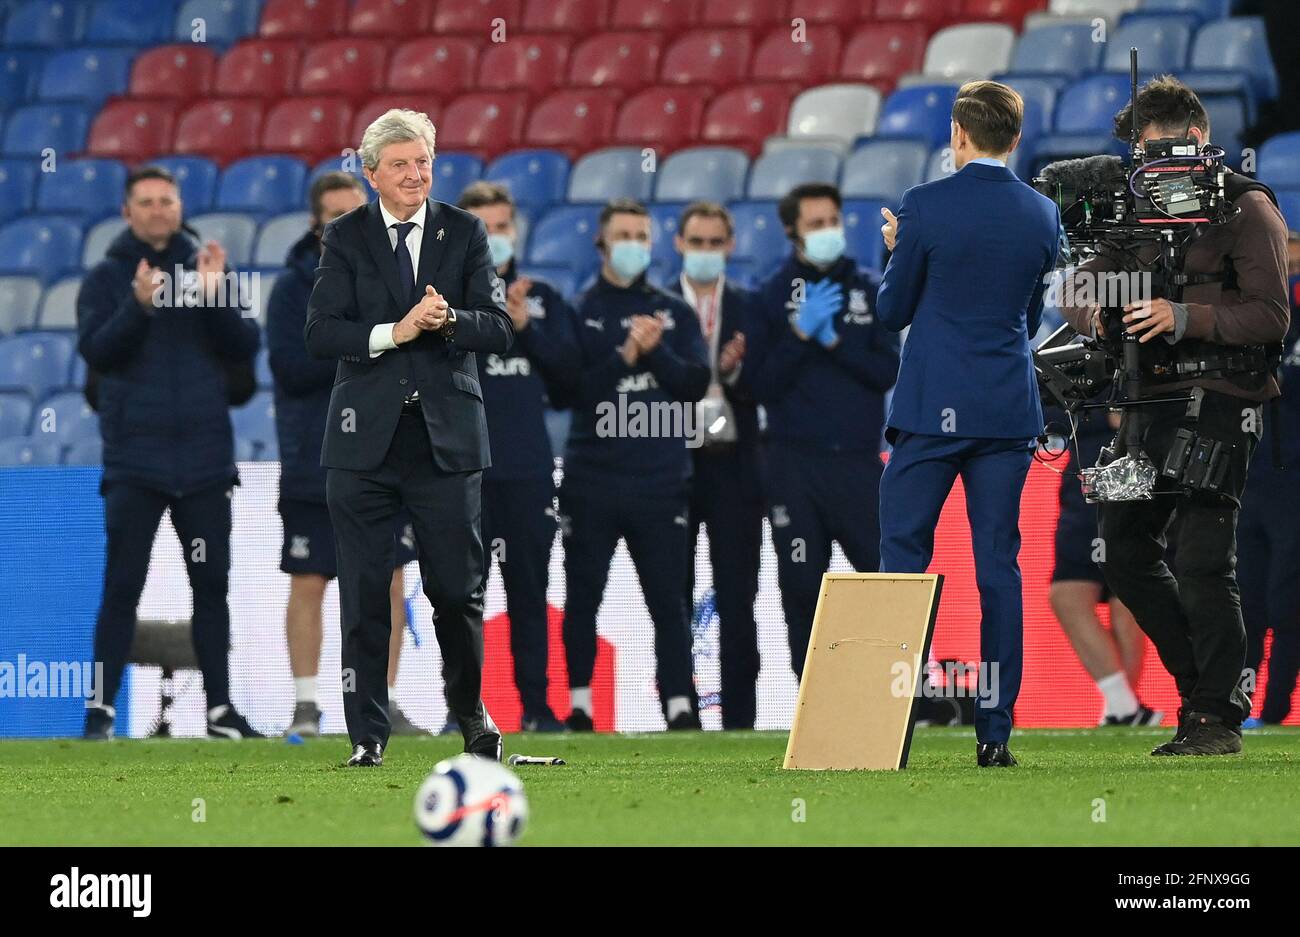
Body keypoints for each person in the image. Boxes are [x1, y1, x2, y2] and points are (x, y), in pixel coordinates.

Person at [1059, 77, 1290, 756]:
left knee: (1201, 557)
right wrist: (1091, 307)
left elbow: (1273, 316)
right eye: (1139, 152)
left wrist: (1182, 314)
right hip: (1144, 405)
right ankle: (1203, 691)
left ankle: (1215, 716)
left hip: (1221, 399)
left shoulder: (1248, 210)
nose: (1148, 163)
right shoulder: (1130, 214)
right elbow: (1077, 285)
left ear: (1197, 139)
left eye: (1158, 147)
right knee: (1125, 551)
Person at [304, 109, 513, 767]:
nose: (415, 174)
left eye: (423, 162)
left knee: (457, 590)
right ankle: (367, 735)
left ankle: (472, 715)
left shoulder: (467, 231)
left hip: (446, 443)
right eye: (400, 164)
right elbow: (320, 333)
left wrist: (449, 318)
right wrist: (394, 331)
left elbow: (500, 327)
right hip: (362, 443)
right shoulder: (345, 237)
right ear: (371, 174)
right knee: (365, 593)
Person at [876, 81, 1060, 768]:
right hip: (1006, 408)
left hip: (930, 409)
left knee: (902, 561)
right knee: (998, 568)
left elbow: (894, 311)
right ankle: (996, 731)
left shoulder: (924, 206)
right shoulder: (1043, 214)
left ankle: (887, 726)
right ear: (1014, 138)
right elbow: (1032, 307)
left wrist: (900, 249)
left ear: (959, 133)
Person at [77, 166, 262, 740]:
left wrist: (213, 298)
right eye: (147, 202)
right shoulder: (105, 278)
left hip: (205, 461)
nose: (159, 210)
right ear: (128, 211)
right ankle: (101, 712)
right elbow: (98, 353)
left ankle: (220, 710)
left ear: (180, 206)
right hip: (135, 460)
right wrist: (137, 305)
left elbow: (246, 353)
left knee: (212, 588)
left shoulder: (211, 269)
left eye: (168, 200)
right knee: (121, 587)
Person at [268, 171, 425, 738]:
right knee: (311, 577)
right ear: (316, 222)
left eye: (354, 212)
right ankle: (306, 705)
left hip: (387, 451)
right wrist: (369, 339)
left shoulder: (396, 276)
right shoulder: (292, 287)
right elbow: (291, 364)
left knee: (388, 579)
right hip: (315, 454)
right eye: (334, 214)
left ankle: (384, 700)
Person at [558, 198, 710, 731]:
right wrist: (625, 354)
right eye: (624, 235)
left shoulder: (674, 311)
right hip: (590, 481)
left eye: (641, 236)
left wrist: (656, 353)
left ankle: (679, 704)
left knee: (671, 604)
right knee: (582, 600)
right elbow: (570, 391)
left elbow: (695, 385)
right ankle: (580, 704)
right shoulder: (580, 310)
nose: (634, 245)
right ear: (602, 244)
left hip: (661, 482)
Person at [745, 182, 898, 681]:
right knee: (801, 588)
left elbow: (886, 371)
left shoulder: (869, 287)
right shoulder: (769, 295)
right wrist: (800, 336)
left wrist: (833, 341)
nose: (827, 231)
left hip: (857, 463)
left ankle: (900, 698)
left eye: (832, 221)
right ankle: (813, 701)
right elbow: (758, 386)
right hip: (793, 466)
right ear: (791, 231)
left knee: (884, 580)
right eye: (815, 224)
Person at [455, 180, 579, 733]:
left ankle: (537, 707)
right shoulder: (441, 301)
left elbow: (572, 385)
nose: (494, 237)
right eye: (482, 228)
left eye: (502, 226)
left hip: (528, 475)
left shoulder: (544, 300)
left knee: (531, 594)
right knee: (462, 599)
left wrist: (526, 329)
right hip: (463, 474)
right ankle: (464, 712)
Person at [668, 202, 762, 728]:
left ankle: (742, 717)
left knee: (737, 593)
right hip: (674, 463)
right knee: (673, 594)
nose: (705, 252)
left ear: (729, 246)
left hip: (737, 465)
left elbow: (770, 377)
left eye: (715, 243)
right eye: (696, 242)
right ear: (678, 244)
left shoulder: (750, 307)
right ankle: (680, 711)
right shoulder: (658, 308)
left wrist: (734, 374)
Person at [1049, 407, 1163, 726]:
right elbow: (1046, 406)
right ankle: (1124, 706)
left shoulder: (1146, 357)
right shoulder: (1071, 359)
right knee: (1067, 595)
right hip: (1083, 481)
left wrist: (1131, 417)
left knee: (1126, 602)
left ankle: (1122, 708)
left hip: (1136, 472)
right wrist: (1098, 416)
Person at [1239, 231, 1300, 726]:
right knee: (1245, 600)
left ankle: (1275, 710)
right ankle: (1233, 709)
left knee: (1287, 601)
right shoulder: (1253, 315)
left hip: (1294, 483)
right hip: (1248, 477)